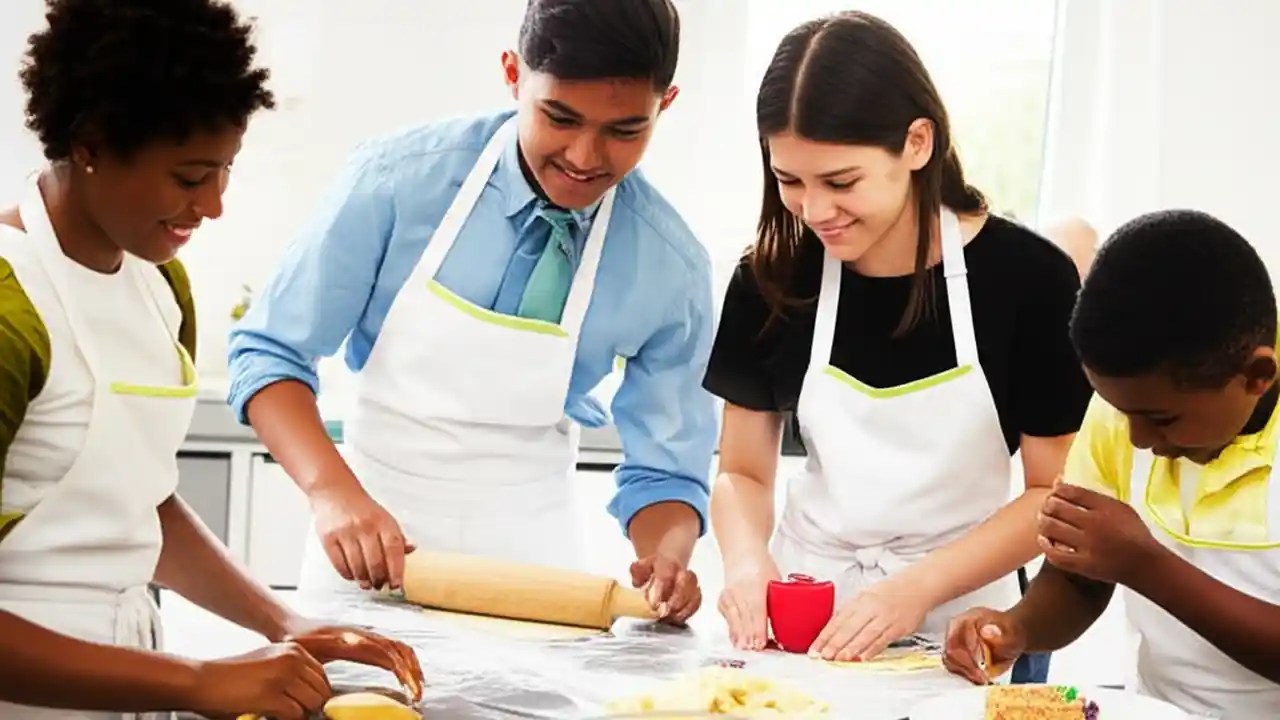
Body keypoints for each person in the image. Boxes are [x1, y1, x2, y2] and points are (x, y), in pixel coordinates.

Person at [227, 0, 715, 624]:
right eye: (559, 118)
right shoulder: (398, 181)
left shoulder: (671, 265)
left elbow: (667, 472)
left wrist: (666, 557)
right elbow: (269, 354)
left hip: (537, 570)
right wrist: (332, 494)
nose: (586, 156)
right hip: (368, 549)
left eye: (625, 131)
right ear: (514, 74)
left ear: (664, 104)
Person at [0, 2, 425, 718]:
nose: (215, 206)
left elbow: (138, 500)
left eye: (225, 170)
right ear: (93, 143)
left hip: (131, 678)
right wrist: (197, 680)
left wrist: (283, 622)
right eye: (191, 177)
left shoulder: (157, 284)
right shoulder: (13, 307)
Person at [703, 10, 1092, 675]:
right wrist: (746, 564)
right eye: (789, 181)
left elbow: (1049, 498)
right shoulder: (771, 278)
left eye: (841, 182)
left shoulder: (1029, 279)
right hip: (806, 628)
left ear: (916, 144)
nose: (814, 210)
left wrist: (915, 589)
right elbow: (742, 472)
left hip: (967, 631)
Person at [944, 210, 1280, 718]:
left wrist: (1146, 565)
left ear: (1257, 375)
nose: (1139, 439)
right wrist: (1018, 628)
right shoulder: (1127, 406)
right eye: (1123, 414)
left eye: (1161, 419)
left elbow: (1129, 561)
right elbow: (1081, 576)